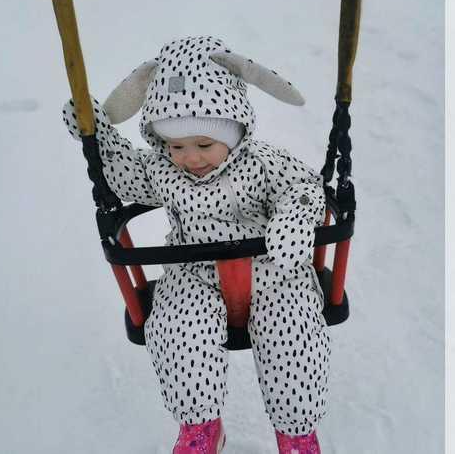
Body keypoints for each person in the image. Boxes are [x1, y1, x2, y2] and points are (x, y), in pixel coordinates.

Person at [63, 35, 330, 454]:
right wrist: (100, 139)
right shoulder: (161, 170)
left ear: (235, 128)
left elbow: (304, 188)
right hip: (193, 272)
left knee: (294, 336)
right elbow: (127, 175)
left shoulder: (262, 162)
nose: (190, 157)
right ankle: (201, 427)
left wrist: (294, 218)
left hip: (274, 269)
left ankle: (296, 433)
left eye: (204, 143)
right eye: (176, 146)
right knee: (176, 333)